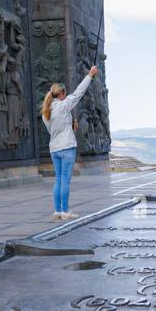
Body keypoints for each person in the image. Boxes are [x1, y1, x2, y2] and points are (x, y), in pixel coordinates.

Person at [40, 66, 98, 220]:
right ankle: (65, 211)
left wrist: (69, 126)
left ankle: (57, 211)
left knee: (58, 179)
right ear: (62, 94)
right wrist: (90, 75)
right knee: (65, 179)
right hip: (67, 147)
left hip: (54, 149)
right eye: (65, 94)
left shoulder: (46, 111)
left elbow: (53, 130)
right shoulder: (64, 105)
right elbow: (79, 92)